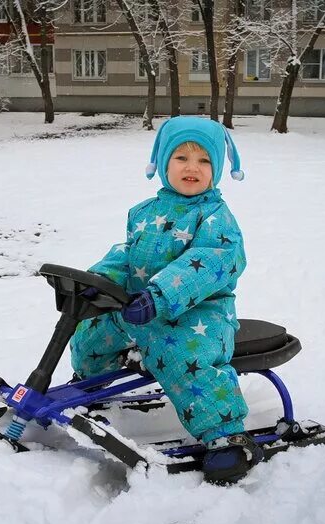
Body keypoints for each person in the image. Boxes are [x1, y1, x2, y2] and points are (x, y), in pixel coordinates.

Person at [70, 116, 262, 484]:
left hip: (199, 315)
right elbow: (126, 255)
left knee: (185, 356)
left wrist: (160, 295)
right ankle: (88, 380)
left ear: (218, 169)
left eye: (204, 161)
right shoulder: (143, 212)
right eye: (181, 158)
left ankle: (225, 435)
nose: (192, 168)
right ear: (162, 163)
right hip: (140, 308)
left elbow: (208, 263)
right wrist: (98, 280)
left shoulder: (215, 217)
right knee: (92, 328)